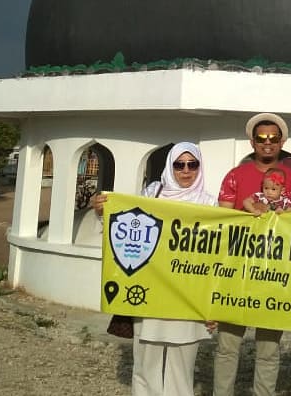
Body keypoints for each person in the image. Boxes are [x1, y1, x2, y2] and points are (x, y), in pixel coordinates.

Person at [94, 142, 216, 396]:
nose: (186, 170)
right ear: (170, 167)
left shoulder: (210, 206)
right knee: (145, 368)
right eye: (179, 165)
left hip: (188, 300)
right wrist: (103, 210)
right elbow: (127, 228)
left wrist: (213, 305)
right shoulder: (151, 196)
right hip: (150, 296)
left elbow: (218, 259)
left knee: (181, 372)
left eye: (192, 164)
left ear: (199, 167)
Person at [213, 112, 291, 396]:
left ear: (282, 142)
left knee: (269, 349)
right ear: (252, 141)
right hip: (237, 271)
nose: (267, 143)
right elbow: (220, 218)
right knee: (227, 347)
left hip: (275, 273)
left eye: (273, 138)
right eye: (261, 138)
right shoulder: (235, 176)